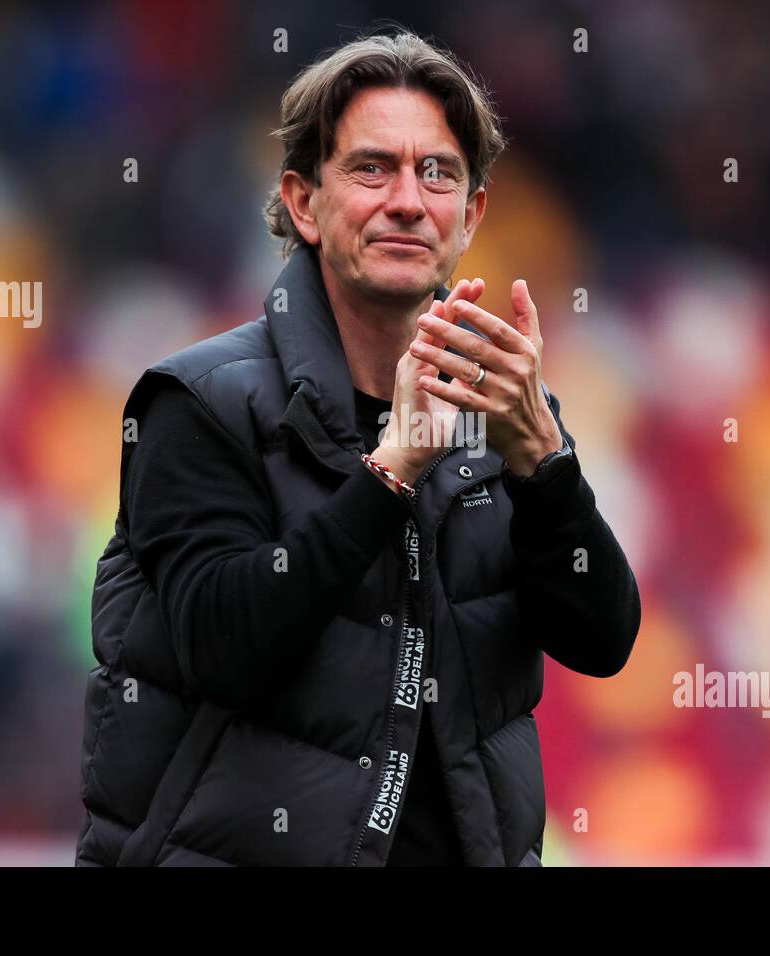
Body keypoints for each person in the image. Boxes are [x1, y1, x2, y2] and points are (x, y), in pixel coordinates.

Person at [76, 27, 640, 867]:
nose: (409, 200)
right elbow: (224, 649)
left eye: (438, 173)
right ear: (304, 202)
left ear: (471, 214)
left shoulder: (503, 410)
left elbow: (603, 641)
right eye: (372, 168)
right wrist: (390, 472)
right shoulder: (199, 402)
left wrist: (546, 464)